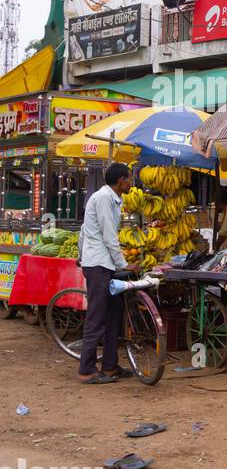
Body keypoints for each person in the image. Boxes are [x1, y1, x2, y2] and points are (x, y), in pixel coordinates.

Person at [78, 163, 135, 384]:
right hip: (100, 264)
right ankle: (86, 370)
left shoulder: (112, 200)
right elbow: (109, 234)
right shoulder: (103, 198)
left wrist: (81, 254)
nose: (131, 183)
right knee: (96, 318)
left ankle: (110, 366)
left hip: (103, 263)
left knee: (113, 316)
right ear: (121, 180)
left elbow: (85, 231)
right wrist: (123, 263)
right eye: (129, 179)